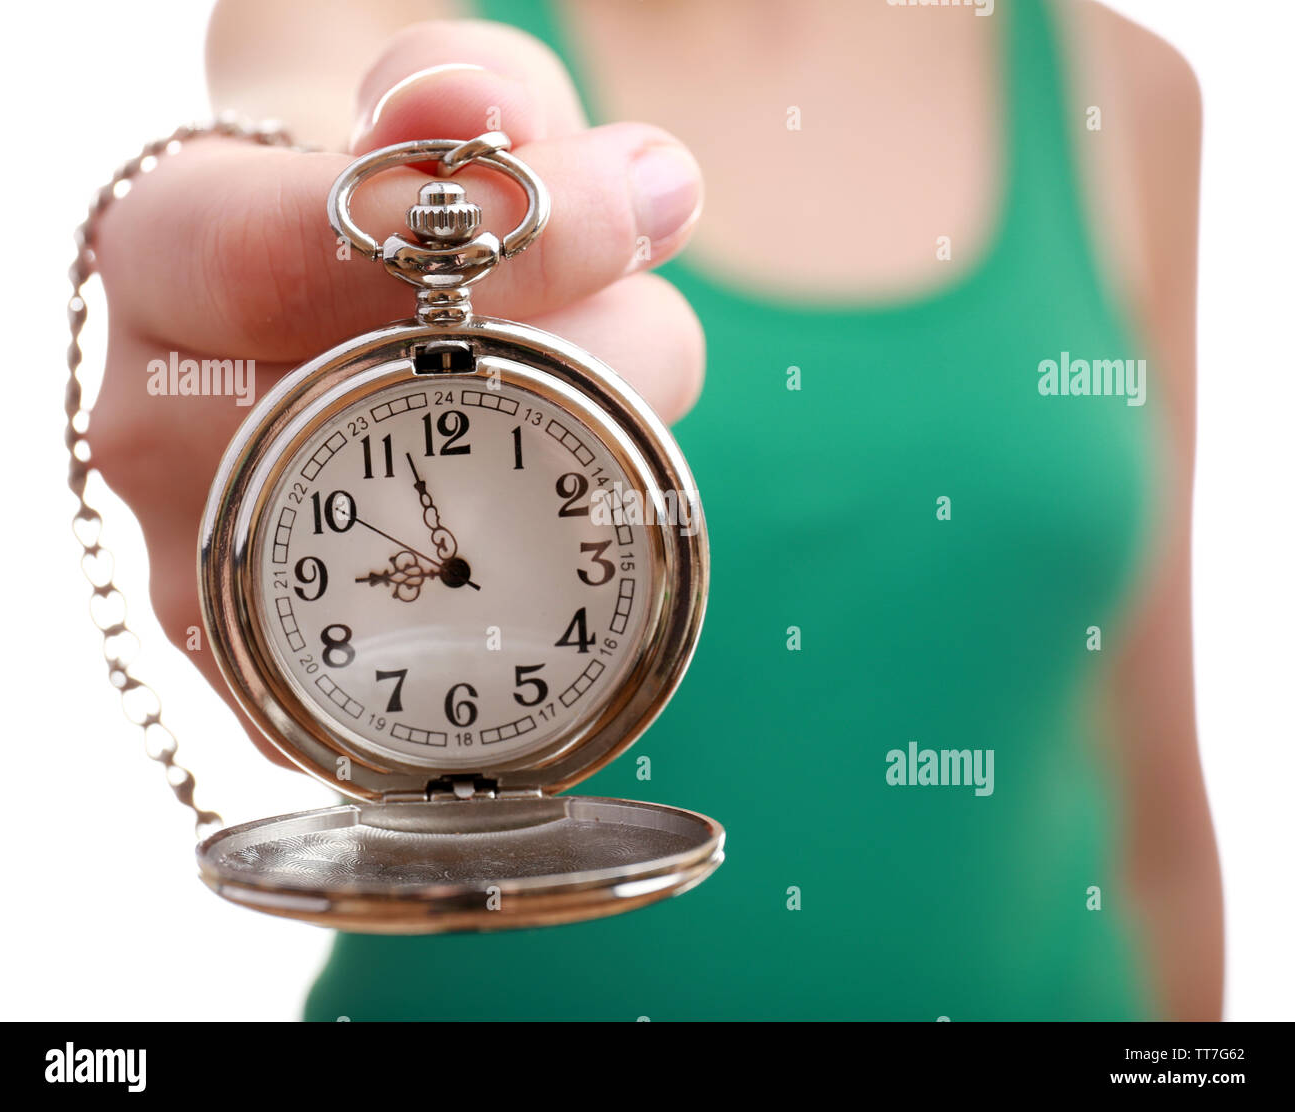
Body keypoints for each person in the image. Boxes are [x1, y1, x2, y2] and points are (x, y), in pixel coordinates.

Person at [89, 0, 1221, 1019]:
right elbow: (298, 124)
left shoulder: (1123, 88)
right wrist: (279, 269)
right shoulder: (347, 16)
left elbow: (1158, 797)